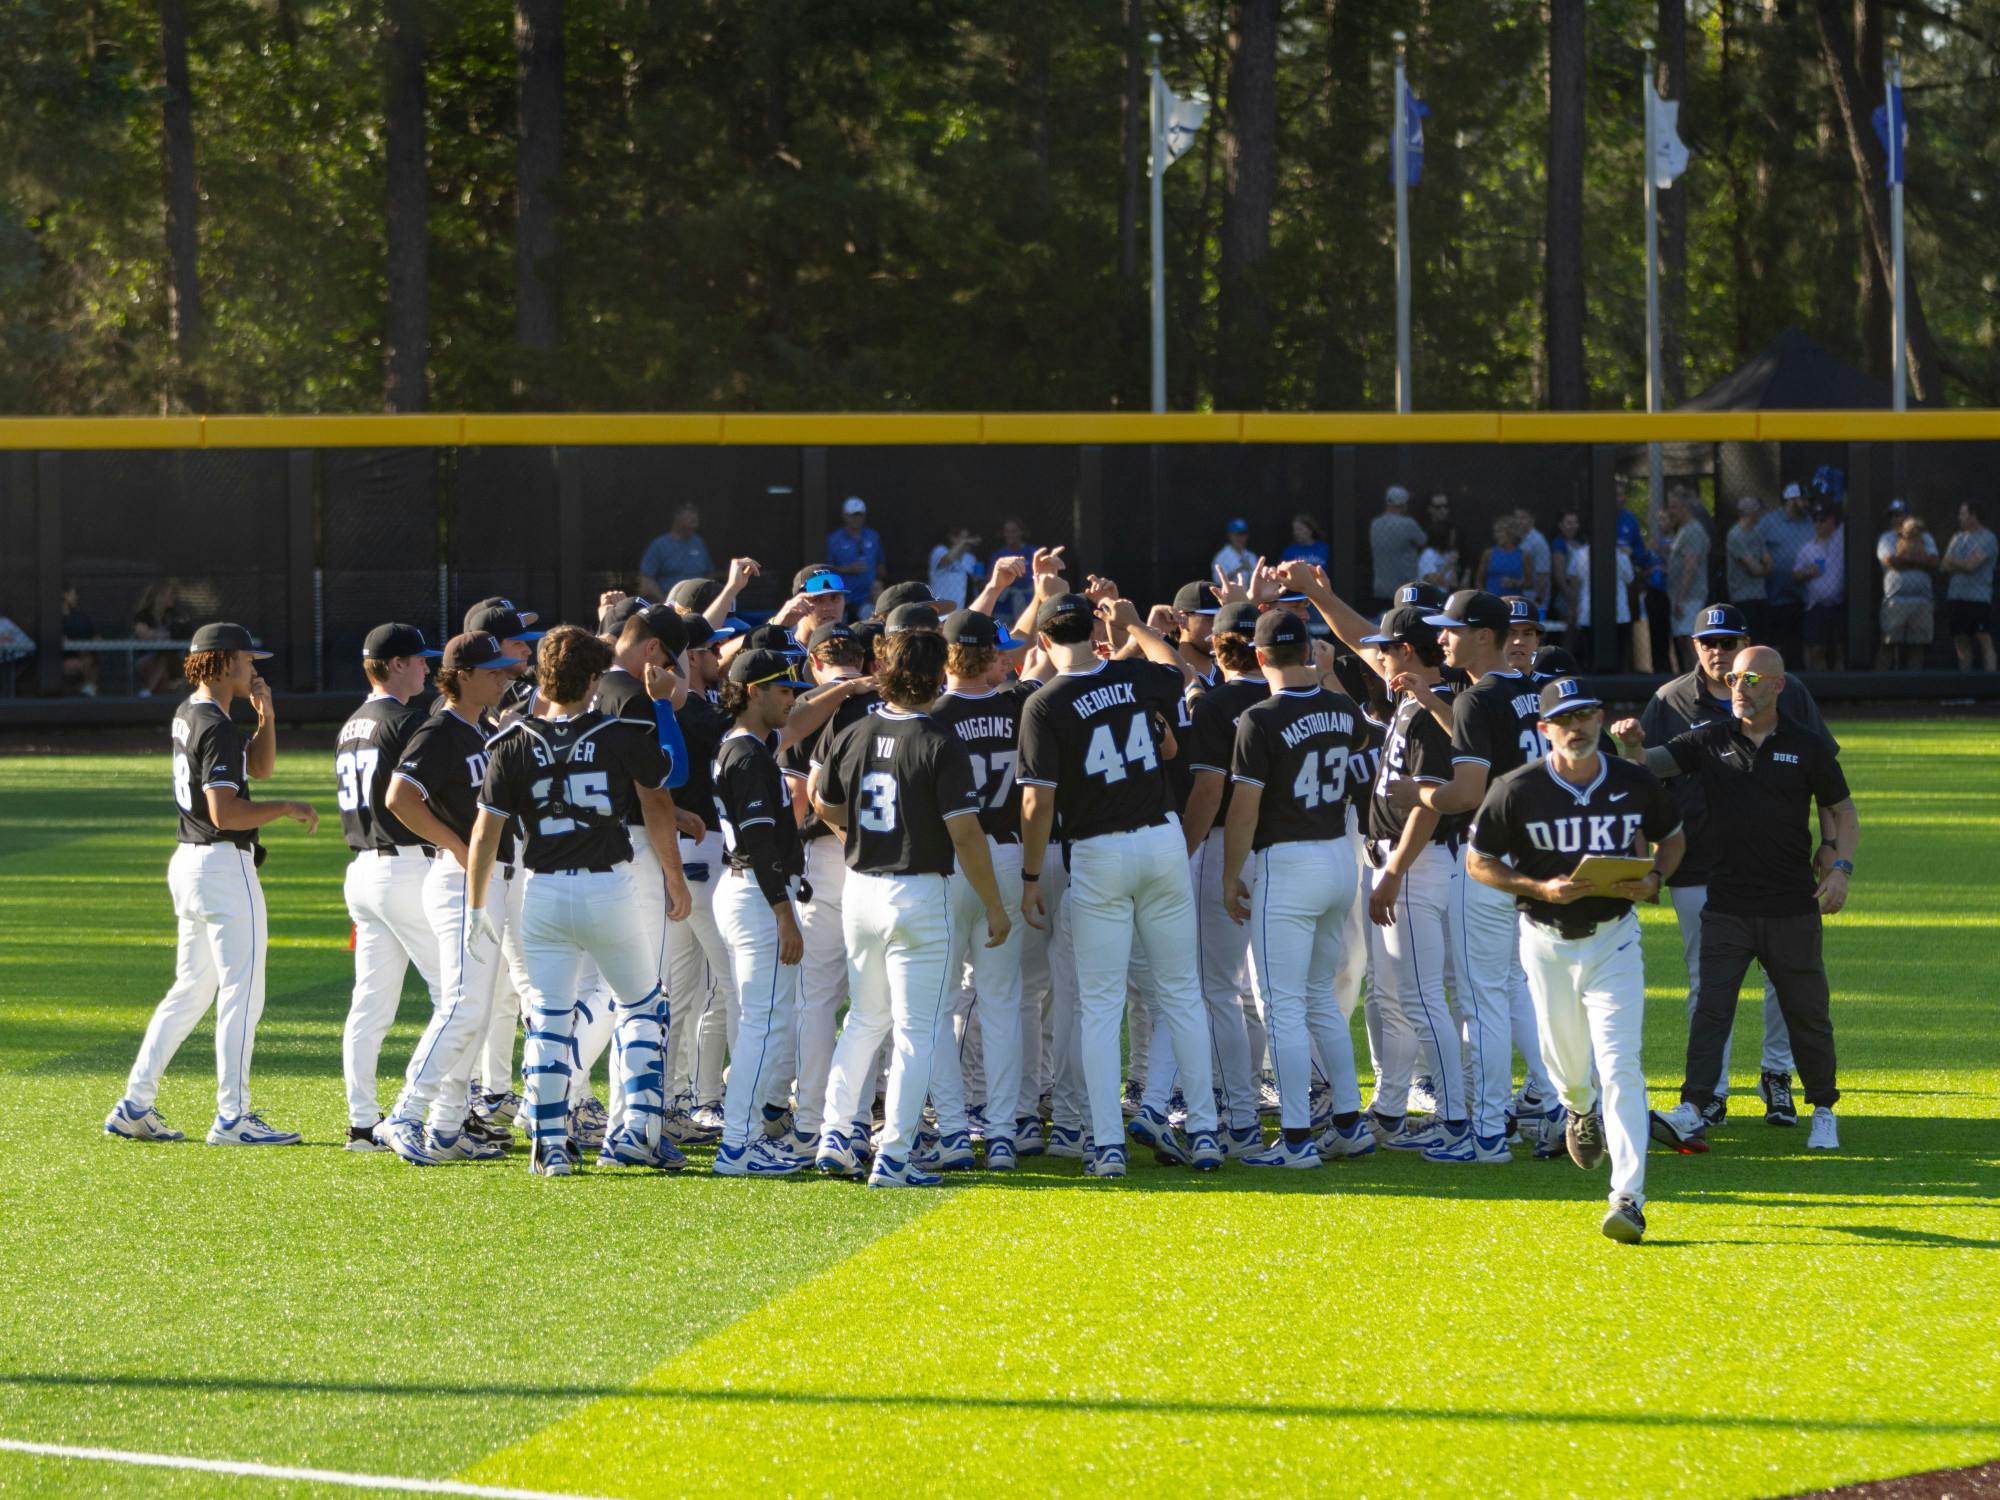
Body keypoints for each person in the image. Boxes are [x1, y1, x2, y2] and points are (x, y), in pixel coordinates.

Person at [464, 624, 693, 1177]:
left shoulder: (512, 741)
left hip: (539, 889)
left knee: (547, 1017)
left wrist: (475, 909)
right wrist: (661, 705)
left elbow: (484, 833)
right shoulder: (617, 733)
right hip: (606, 884)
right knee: (642, 1004)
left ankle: (550, 1145)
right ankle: (638, 1129)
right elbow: (664, 775)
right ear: (594, 679)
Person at [1615, 645, 1858, 1154]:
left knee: (1807, 1010)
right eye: (1732, 682)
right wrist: (1634, 747)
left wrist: (1839, 868)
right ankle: (1692, 1108)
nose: (1739, 689)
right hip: (1725, 903)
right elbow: (1651, 767)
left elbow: (1842, 809)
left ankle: (1823, 1109)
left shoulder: (1808, 745)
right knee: (1711, 1009)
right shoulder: (1708, 739)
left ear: (1778, 686)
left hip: (1791, 904)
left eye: (1751, 679)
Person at [1468, 677, 1684, 1244]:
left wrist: (1656, 875)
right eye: (1565, 719)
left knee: (1621, 1066)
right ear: (1545, 731)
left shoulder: (1634, 780)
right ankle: (1577, 1109)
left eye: (1587, 714)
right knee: (1566, 1066)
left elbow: (1675, 835)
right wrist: (1538, 888)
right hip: (1545, 941)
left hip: (1614, 938)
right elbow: (1478, 860)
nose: (1579, 727)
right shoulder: (1517, 788)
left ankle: (1628, 1198)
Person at [1017, 591, 1223, 1178]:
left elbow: (1036, 800)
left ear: (1043, 641)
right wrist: (1133, 623)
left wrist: (1032, 877)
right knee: (1181, 993)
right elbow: (1178, 669)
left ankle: (1106, 1142)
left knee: (1101, 1005)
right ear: (1094, 631)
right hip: (1161, 840)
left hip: (1099, 849)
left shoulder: (1045, 701)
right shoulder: (1133, 674)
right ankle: (1204, 1132)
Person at [809, 625, 1010, 1187]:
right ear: (937, 672)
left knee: (864, 1021)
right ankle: (893, 1157)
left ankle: (835, 1136)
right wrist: (995, 904)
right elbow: (967, 836)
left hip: (861, 888)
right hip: (917, 890)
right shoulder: (941, 740)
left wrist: (861, 834)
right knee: (916, 1030)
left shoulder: (857, 728)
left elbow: (823, 800)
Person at [105, 622, 318, 1146]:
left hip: (190, 864)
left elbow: (259, 769)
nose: (254, 669)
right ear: (222, 663)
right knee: (242, 992)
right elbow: (228, 813)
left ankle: (135, 1103)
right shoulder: (216, 726)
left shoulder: (191, 712)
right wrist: (288, 807)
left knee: (191, 990)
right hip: (222, 868)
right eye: (247, 660)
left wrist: (265, 717)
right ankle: (233, 1116)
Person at [1385, 588, 1556, 1163]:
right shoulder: (1536, 688)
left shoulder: (1476, 700)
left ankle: (1485, 1133)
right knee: (1512, 986)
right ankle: (1555, 1105)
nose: (1442, 639)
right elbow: (1489, 739)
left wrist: (1416, 791)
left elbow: (1465, 793)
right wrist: (1437, 703)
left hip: (1487, 858)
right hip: (1539, 858)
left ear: (1484, 636)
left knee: (1482, 998)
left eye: (1452, 630)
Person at [1219, 608, 1376, 1167]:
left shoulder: (1259, 718)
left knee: (1282, 1005)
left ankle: (1296, 1139)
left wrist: (1229, 872)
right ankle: (1350, 1123)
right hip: (1338, 855)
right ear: (1309, 652)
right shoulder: (1340, 705)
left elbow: (1244, 809)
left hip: (1288, 861)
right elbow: (1360, 740)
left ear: (1260, 657)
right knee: (1316, 999)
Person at [379, 631, 522, 1163]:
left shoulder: (479, 729)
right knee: (463, 1006)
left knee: (477, 1010)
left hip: (492, 880)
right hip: (461, 882)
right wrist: (459, 846)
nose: (504, 677)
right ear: (462, 675)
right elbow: (400, 797)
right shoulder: (439, 729)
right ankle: (406, 1114)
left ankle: (444, 1128)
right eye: (494, 671)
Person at [1132, 600, 1265, 1159]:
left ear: (1218, 646)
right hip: (1283, 849)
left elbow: (1209, 793)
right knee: (1241, 993)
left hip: (1218, 848)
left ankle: (1232, 1115)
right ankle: (1214, 1109)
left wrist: (1178, 854)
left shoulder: (1216, 705)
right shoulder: (1295, 698)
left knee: (1208, 990)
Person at [925, 608, 1033, 1172]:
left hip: (949, 860)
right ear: (988, 656)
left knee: (938, 1004)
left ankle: (949, 1126)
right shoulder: (1019, 707)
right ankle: (1001, 1133)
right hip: (1009, 854)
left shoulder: (932, 715)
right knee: (1001, 999)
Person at [336, 623, 448, 1153]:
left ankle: (362, 1122)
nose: (428, 667)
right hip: (405, 868)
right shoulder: (407, 720)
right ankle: (447, 1113)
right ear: (396, 663)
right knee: (456, 995)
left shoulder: (353, 722)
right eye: (420, 659)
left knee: (370, 1005)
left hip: (362, 870)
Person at [775, 622, 881, 1156]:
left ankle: (813, 1119)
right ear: (863, 660)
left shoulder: (802, 704)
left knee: (816, 999)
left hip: (821, 855)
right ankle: (858, 1119)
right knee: (873, 999)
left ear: (814, 662)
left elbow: (798, 795)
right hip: (884, 857)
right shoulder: (883, 700)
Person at [711, 647, 813, 1177]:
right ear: (753, 691)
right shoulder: (748, 756)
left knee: (764, 1018)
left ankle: (744, 1133)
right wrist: (783, 911)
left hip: (747, 890)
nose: (790, 698)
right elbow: (757, 838)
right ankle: (738, 1143)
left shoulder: (744, 746)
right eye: (783, 689)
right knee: (763, 1021)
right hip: (755, 892)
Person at [1758, 482, 1817, 665]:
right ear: (1791, 501)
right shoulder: (1770, 521)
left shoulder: (1810, 522)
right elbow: (1756, 544)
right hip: (1775, 592)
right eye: (1802, 500)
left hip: (1803, 593)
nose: (1806, 504)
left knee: (1798, 642)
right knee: (1774, 641)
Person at [1941, 500, 1997, 672]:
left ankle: (1990, 690)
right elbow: (1943, 565)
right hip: (1956, 597)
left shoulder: (1988, 538)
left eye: (1963, 514)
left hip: (1978, 598)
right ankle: (1964, 692)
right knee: (1961, 642)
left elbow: (1971, 566)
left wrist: (1955, 562)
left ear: (1973, 515)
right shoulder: (1957, 538)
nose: (1959, 518)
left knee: (1984, 640)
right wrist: (1961, 563)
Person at [1879, 512, 1938, 672]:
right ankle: (1879, 688)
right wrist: (1918, 560)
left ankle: (1915, 690)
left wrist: (1905, 559)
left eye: (1901, 515)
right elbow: (1891, 561)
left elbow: (1933, 561)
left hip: (1922, 600)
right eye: (1893, 515)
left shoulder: (1926, 537)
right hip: (1895, 600)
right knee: (1888, 643)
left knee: (1917, 645)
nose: (1897, 519)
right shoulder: (1887, 538)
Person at [1794, 504, 1846, 673]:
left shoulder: (1839, 542)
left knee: (1839, 649)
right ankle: (1820, 689)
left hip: (1837, 604)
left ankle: (1842, 691)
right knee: (1817, 649)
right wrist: (1808, 572)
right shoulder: (1807, 549)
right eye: (1816, 521)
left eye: (1823, 520)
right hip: (1815, 606)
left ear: (1832, 522)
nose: (1819, 524)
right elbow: (1796, 575)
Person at [1665, 489, 1711, 673]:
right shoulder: (1683, 530)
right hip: (1681, 596)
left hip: (1690, 597)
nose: (1670, 511)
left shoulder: (1693, 531)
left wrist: (1681, 598)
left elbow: (1690, 566)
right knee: (1683, 641)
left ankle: (1699, 686)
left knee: (1692, 642)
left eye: (1673, 507)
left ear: (1685, 508)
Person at [132, 578, 194, 697]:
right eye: (170, 594)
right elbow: (145, 635)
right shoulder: (143, 616)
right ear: (159, 597)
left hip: (174, 659)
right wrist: (168, 634)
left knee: (170, 658)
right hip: (147, 658)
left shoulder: (174, 615)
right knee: (163, 671)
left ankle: (147, 692)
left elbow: (186, 631)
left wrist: (165, 634)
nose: (173, 598)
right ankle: (151, 695)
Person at [638, 503, 714, 598]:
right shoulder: (659, 545)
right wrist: (664, 602)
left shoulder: (699, 543)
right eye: (689, 512)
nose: (694, 516)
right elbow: (646, 581)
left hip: (698, 604)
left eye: (695, 512)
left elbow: (709, 573)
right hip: (669, 605)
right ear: (677, 517)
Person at [1369, 486, 1427, 611]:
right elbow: (1423, 540)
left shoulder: (1375, 524)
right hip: (1404, 589)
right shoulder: (1408, 524)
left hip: (1380, 587)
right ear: (1403, 504)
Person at [1724, 496, 1772, 643]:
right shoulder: (1735, 535)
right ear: (1750, 513)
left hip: (1759, 594)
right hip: (1743, 597)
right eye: (1758, 511)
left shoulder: (1756, 533)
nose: (1761, 515)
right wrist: (1762, 568)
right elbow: (1754, 569)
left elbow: (1769, 563)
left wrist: (1762, 568)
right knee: (1747, 641)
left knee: (1761, 640)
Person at [827, 497, 885, 609]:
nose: (856, 519)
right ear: (845, 515)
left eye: (859, 515)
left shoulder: (873, 536)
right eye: (853, 515)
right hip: (844, 599)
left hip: (869, 598)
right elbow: (827, 569)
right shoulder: (834, 540)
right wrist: (848, 569)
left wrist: (878, 582)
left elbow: (880, 564)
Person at [927, 527, 984, 610]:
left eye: (968, 538)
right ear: (953, 538)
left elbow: (972, 583)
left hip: (960, 610)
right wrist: (964, 542)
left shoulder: (970, 558)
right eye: (964, 537)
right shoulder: (939, 551)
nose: (968, 541)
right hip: (939, 609)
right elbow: (948, 559)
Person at [1477, 515, 1527, 599]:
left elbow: (1530, 583)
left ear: (1511, 533)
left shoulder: (1524, 555)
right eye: (1496, 532)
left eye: (1500, 531)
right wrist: (1485, 598)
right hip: (1492, 603)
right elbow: (1479, 581)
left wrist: (1516, 583)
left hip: (1513, 604)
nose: (1497, 535)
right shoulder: (1488, 553)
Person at [1417, 522, 1460, 593]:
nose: (1454, 537)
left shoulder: (1448, 554)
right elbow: (1431, 581)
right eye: (1452, 535)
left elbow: (1454, 584)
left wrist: (1453, 566)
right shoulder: (1428, 554)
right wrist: (1448, 566)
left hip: (1443, 598)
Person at [1212, 518, 1257, 585]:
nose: (1240, 538)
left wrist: (1251, 570)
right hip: (1229, 595)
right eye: (1236, 534)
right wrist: (1239, 569)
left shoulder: (1252, 556)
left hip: (1249, 595)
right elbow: (1218, 583)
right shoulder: (1221, 557)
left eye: (1243, 534)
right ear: (1230, 536)